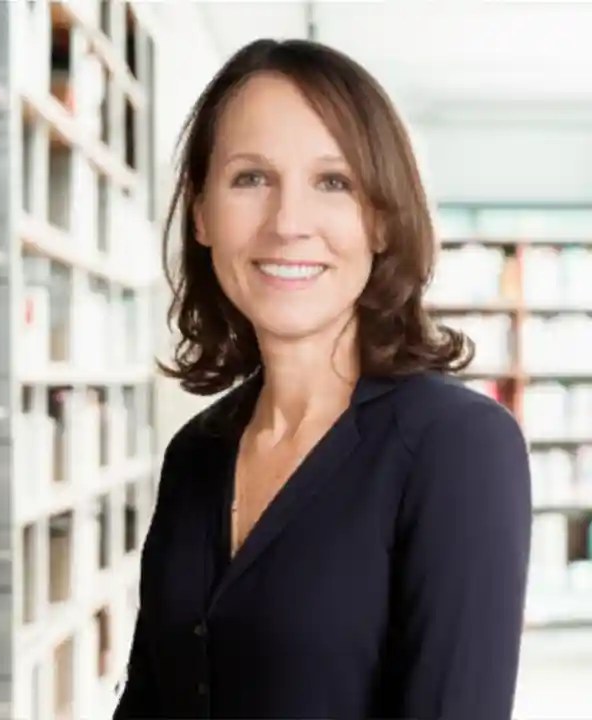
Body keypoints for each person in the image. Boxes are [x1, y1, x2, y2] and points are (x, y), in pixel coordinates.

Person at [113, 38, 530, 719]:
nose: (288, 223)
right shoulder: (197, 452)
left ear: (383, 219)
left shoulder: (458, 447)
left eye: (333, 182)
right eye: (251, 178)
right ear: (201, 213)